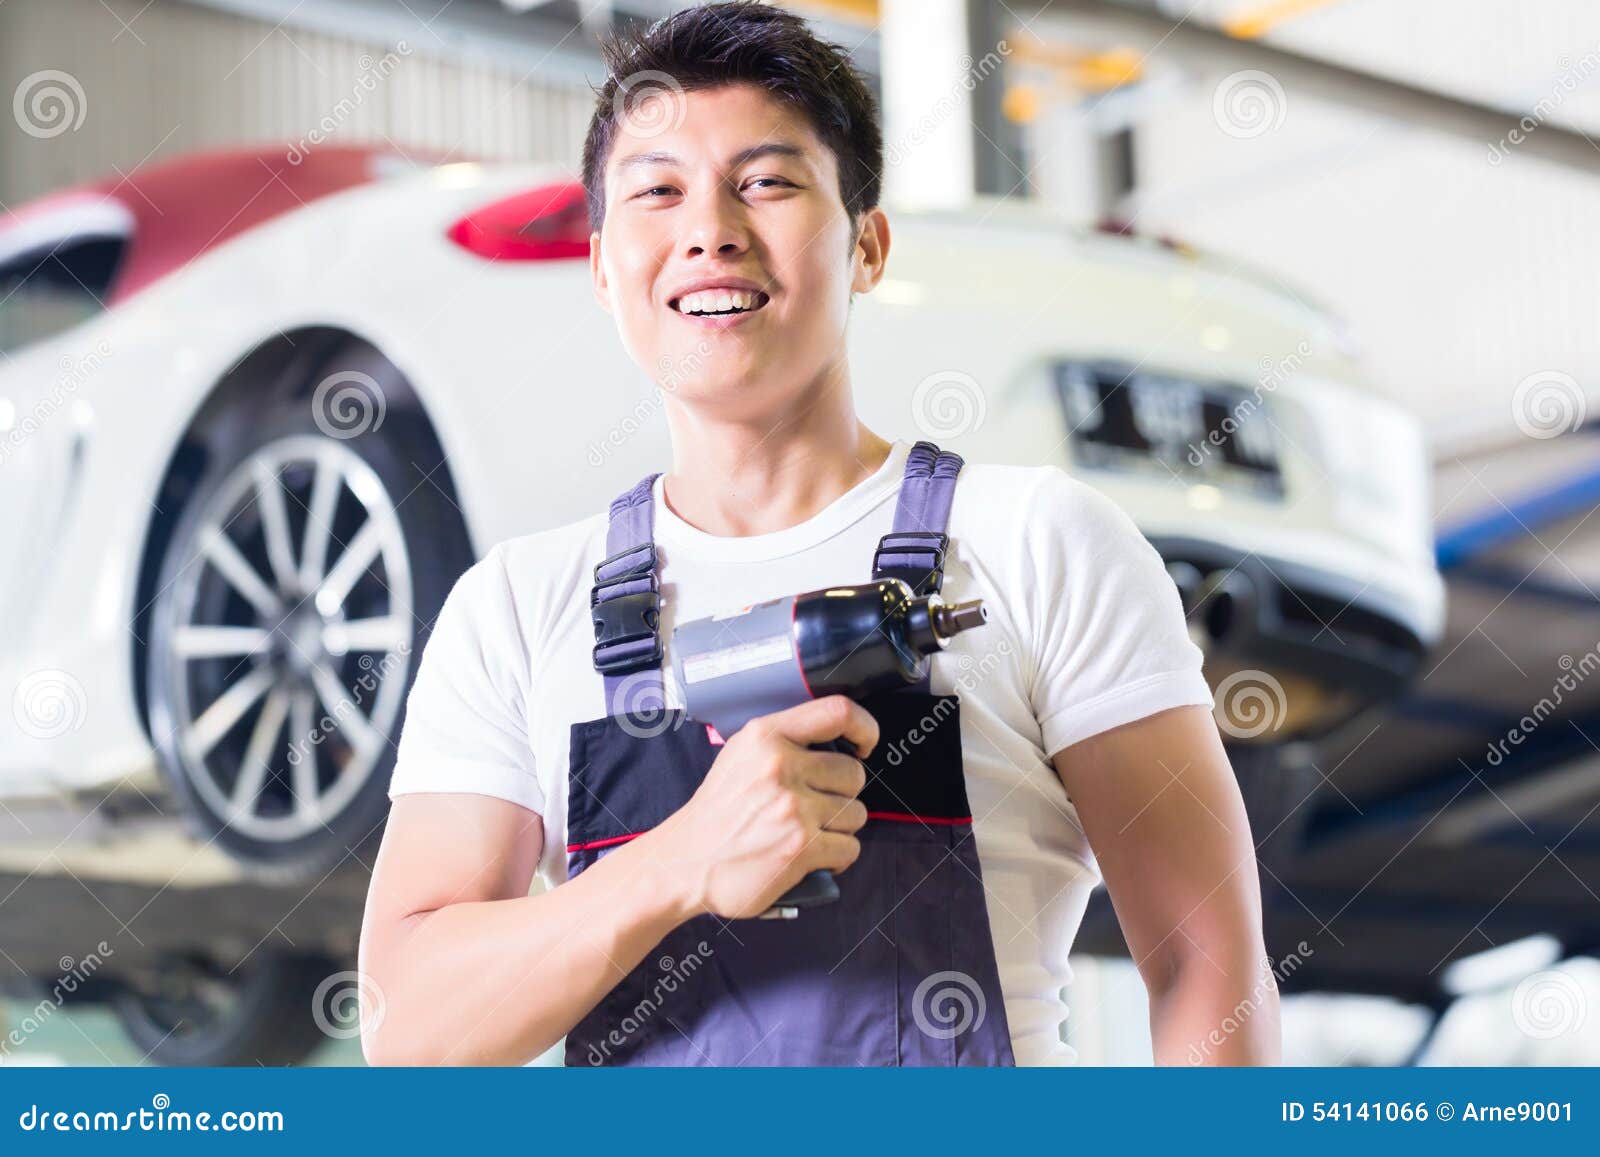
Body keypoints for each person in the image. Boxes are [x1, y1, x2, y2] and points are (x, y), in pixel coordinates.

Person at [359, 0, 1278, 1067]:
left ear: (867, 246)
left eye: (767, 182)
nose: (710, 229)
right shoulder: (515, 609)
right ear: (604, 269)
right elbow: (406, 1029)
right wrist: (679, 863)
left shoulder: (1040, 543)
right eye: (658, 192)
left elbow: (1206, 964)